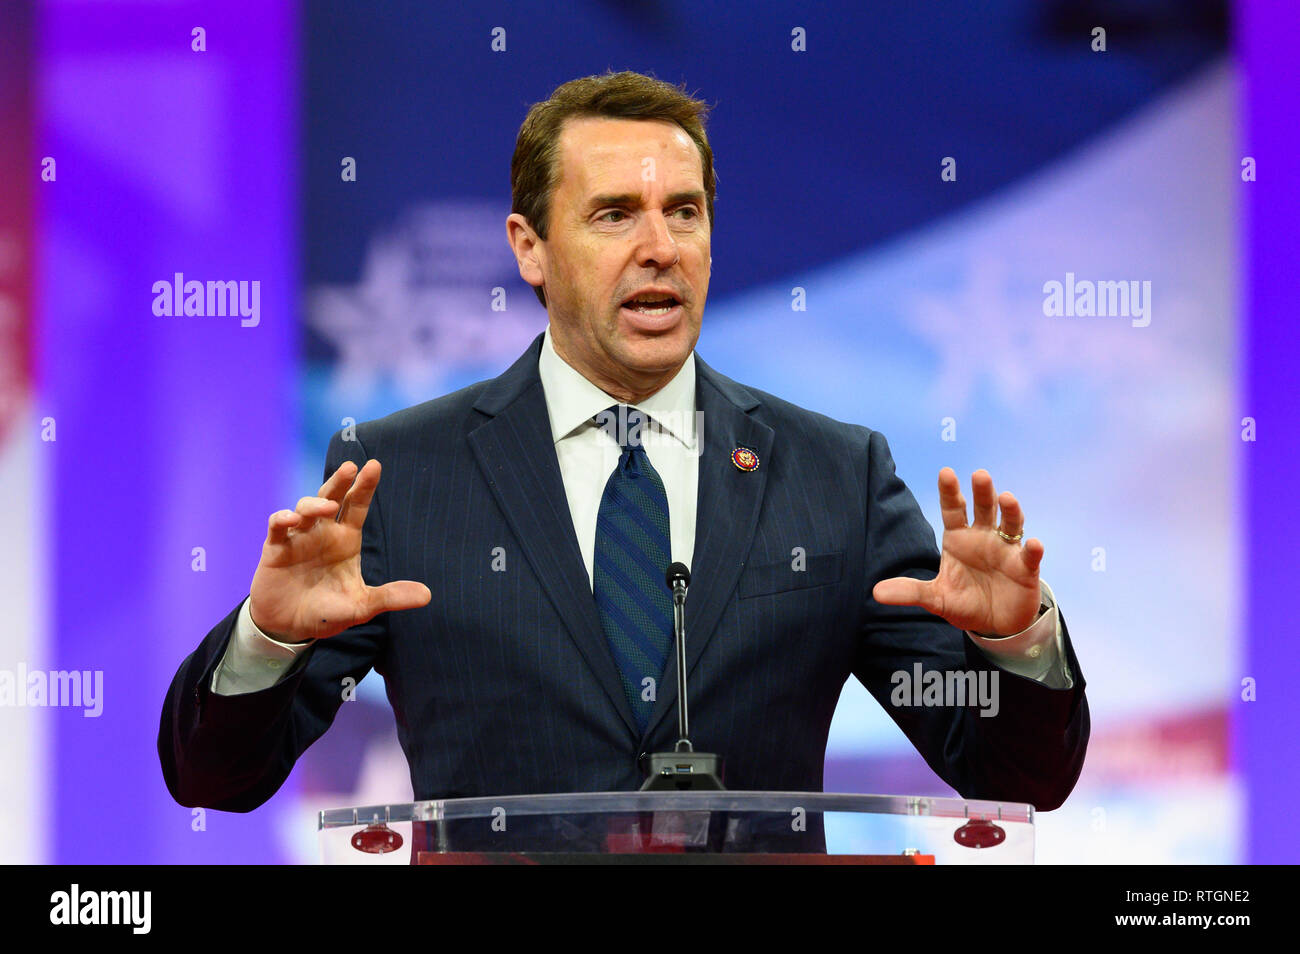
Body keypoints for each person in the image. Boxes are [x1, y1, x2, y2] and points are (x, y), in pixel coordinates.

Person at [159, 71, 1088, 826]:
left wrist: (1014, 646)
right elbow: (215, 781)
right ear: (530, 247)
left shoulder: (835, 476)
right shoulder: (403, 477)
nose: (660, 247)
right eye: (614, 215)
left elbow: (1014, 776)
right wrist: (269, 637)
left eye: (684, 212)